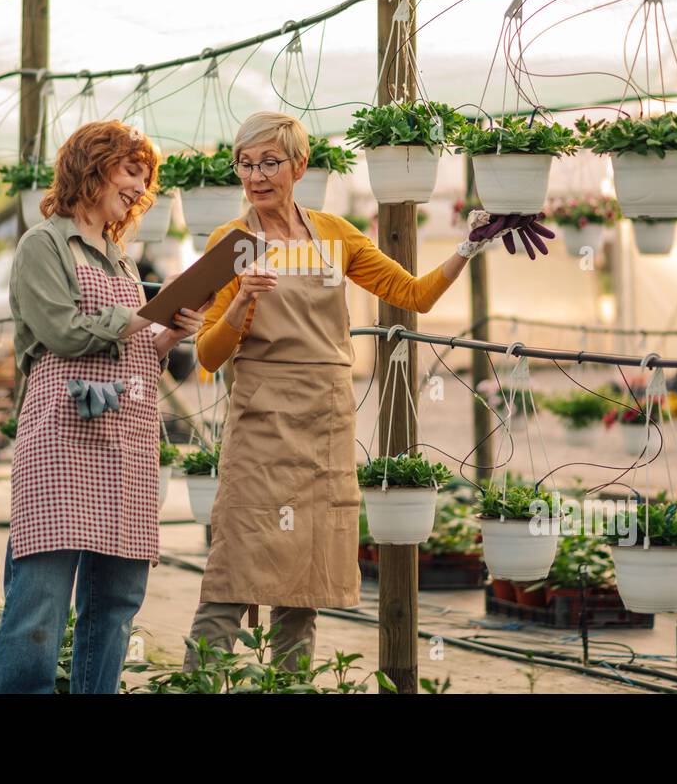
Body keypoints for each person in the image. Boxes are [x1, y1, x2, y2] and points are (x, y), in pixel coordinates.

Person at [181, 110, 552, 669]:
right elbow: (209, 355)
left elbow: (414, 295)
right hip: (260, 428)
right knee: (232, 574)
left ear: (299, 166)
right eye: (246, 164)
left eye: (270, 163)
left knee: (305, 588)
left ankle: (292, 686)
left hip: (324, 429)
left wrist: (469, 246)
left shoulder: (335, 234)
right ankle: (196, 685)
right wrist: (237, 305)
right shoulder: (230, 242)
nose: (257, 176)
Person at [0, 119, 206, 694]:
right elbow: (63, 333)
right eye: (132, 171)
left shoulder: (120, 257)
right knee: (39, 606)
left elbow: (132, 355)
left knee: (116, 603)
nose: (140, 188)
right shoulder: (44, 245)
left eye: (146, 179)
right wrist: (142, 316)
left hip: (127, 439)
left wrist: (169, 334)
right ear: (93, 167)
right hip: (62, 436)